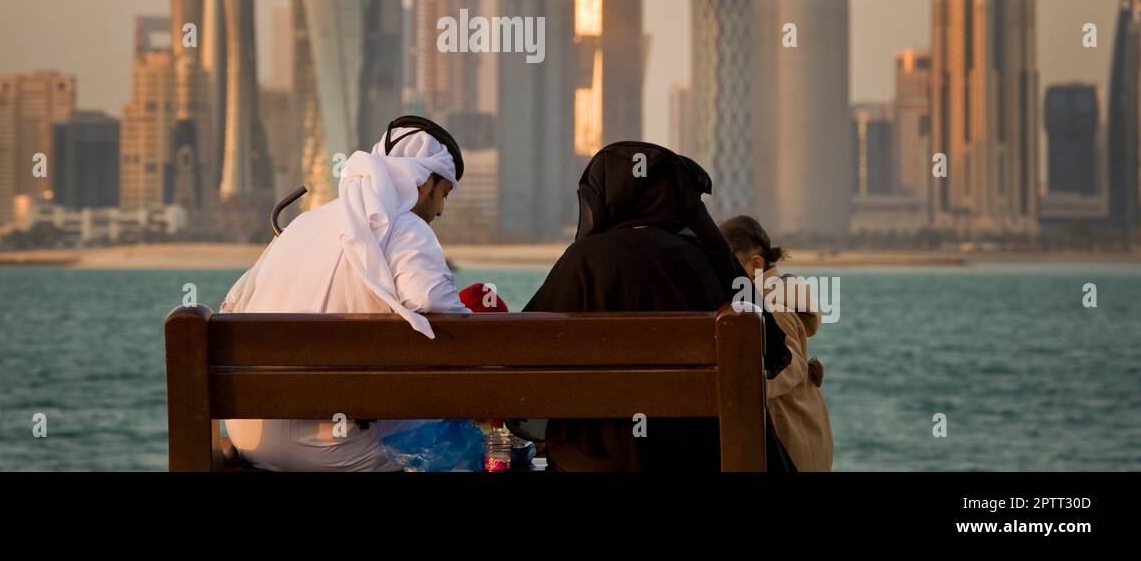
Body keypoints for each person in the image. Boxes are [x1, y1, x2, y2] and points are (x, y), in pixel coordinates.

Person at [521, 141, 797, 471]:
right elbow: (771, 351)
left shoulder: (587, 260)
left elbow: (527, 353)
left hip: (605, 457)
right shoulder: (711, 259)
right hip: (704, 455)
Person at [219, 115, 470, 471]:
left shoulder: (304, 222)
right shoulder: (405, 226)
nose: (441, 210)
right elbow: (431, 301)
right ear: (426, 182)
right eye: (443, 194)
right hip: (332, 449)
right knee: (457, 435)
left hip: (252, 436)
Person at [721, 215, 834, 472]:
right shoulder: (774, 301)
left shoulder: (774, 309)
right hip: (803, 433)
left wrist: (741, 389)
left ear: (756, 264)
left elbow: (788, 365)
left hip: (792, 441)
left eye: (730, 267)